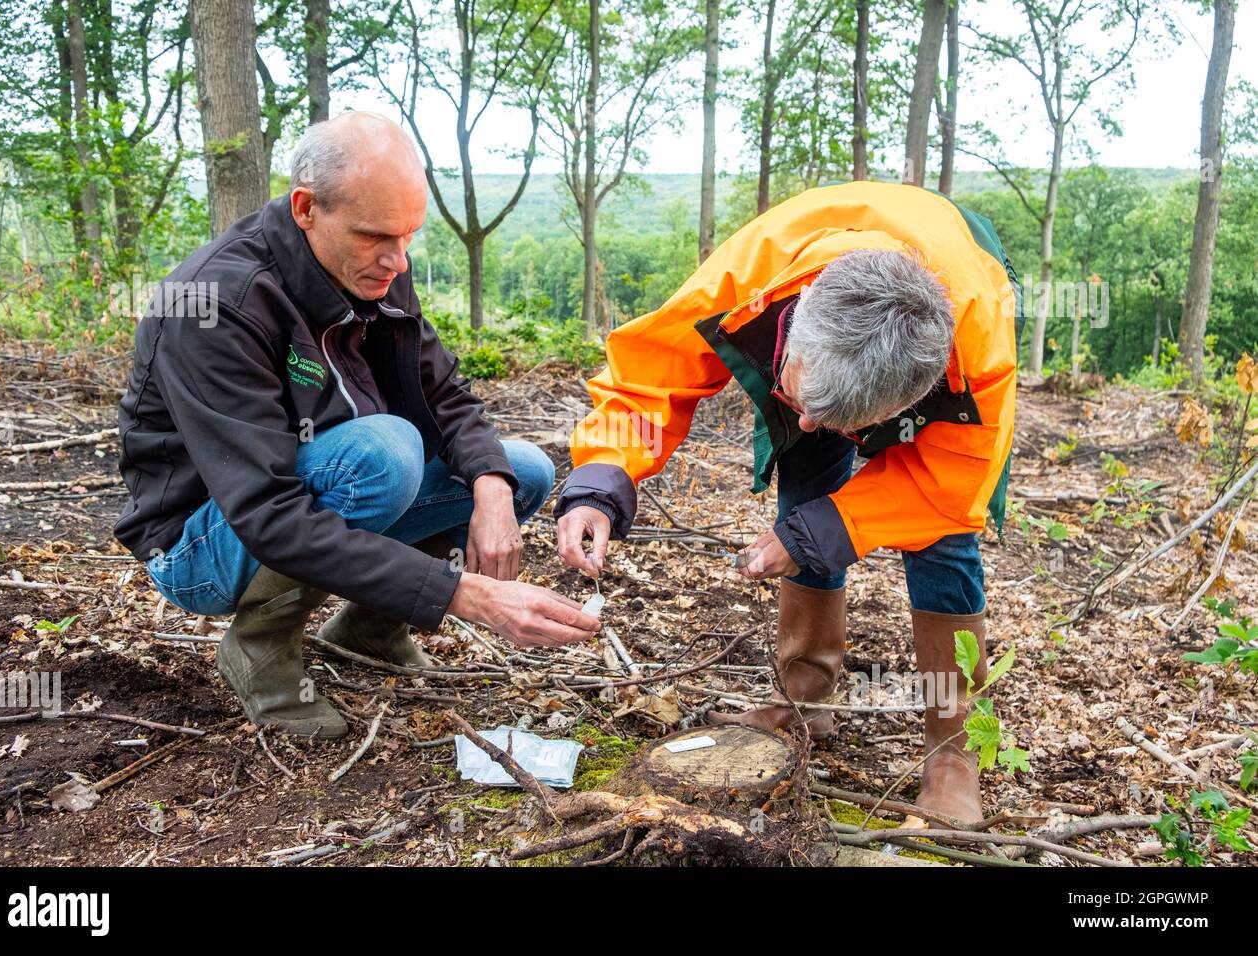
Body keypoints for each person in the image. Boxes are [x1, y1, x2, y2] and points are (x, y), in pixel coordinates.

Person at [115, 112, 600, 740]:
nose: (397, 261)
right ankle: (259, 648)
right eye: (376, 236)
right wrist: (460, 593)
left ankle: (373, 629)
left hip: (318, 490)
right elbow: (267, 513)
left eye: (408, 236)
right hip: (203, 540)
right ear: (306, 208)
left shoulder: (377, 269)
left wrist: (490, 489)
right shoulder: (214, 303)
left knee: (519, 471)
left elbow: (445, 394)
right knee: (384, 454)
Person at [554, 181, 1020, 823]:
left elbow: (947, 486)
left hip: (944, 288)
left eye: (830, 417)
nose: (806, 423)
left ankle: (953, 748)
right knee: (807, 482)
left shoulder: (978, 339)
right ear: (795, 323)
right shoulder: (752, 275)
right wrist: (603, 479)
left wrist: (817, 534)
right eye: (802, 403)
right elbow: (648, 379)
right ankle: (806, 696)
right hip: (815, 323)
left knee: (941, 542)